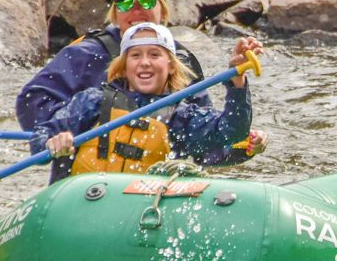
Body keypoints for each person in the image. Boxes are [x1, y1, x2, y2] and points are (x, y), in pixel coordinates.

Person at [16, 0, 265, 163]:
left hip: (153, 187)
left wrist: (241, 145)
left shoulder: (182, 77)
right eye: (125, 3)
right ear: (122, 66)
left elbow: (212, 139)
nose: (136, 10)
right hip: (85, 179)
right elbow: (35, 109)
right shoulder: (88, 79)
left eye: (146, 2)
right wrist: (63, 133)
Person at [32, 22, 256, 183]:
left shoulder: (181, 116)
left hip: (144, 213)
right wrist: (53, 142)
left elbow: (231, 132)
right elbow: (41, 137)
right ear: (124, 66)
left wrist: (237, 83)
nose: (145, 63)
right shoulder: (93, 101)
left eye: (155, 55)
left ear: (170, 66)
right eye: (136, 55)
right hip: (81, 205)